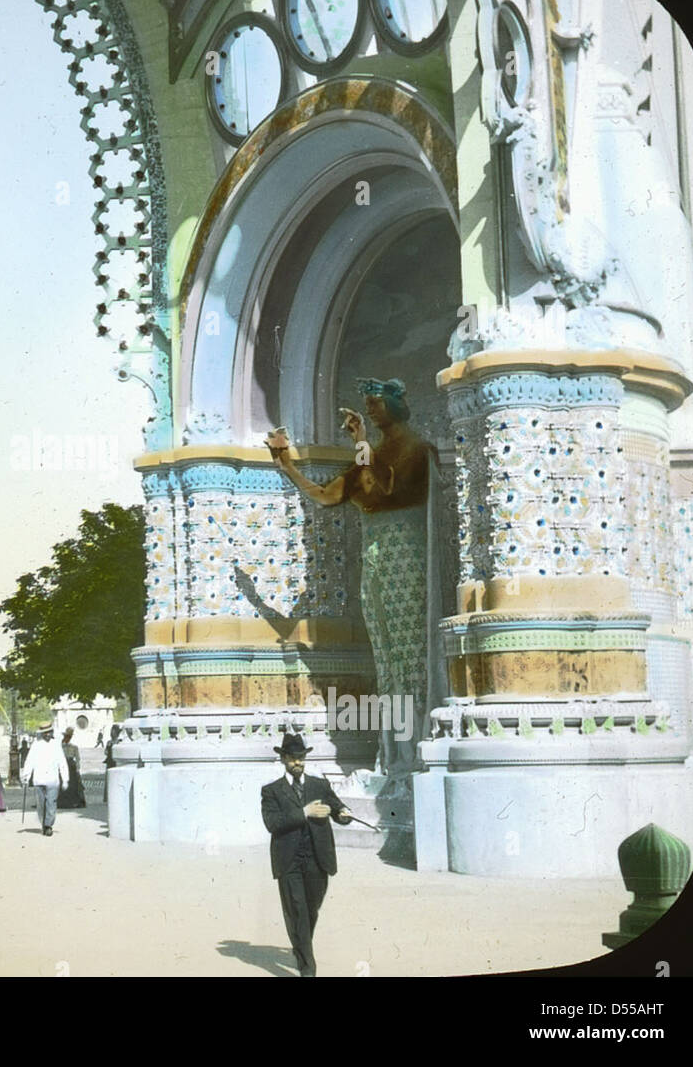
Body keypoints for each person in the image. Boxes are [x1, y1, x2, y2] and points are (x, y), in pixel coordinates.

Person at [267, 378, 450, 795]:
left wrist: (362, 445)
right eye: (368, 407)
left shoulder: (416, 451)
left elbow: (383, 489)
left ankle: (419, 749)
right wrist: (287, 464)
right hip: (377, 563)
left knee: (409, 651)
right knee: (386, 656)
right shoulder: (372, 455)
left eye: (378, 404)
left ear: (399, 404)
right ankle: (395, 754)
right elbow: (326, 495)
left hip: (407, 557)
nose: (372, 412)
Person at [261, 733, 352, 978]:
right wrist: (304, 812)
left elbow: (336, 807)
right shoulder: (271, 791)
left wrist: (343, 813)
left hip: (318, 859)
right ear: (283, 760)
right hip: (289, 860)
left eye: (301, 758)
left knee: (311, 910)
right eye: (292, 758)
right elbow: (272, 823)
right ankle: (307, 969)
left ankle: (300, 945)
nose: (297, 763)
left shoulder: (319, 785)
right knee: (299, 911)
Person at [21, 723, 69, 837]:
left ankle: (48, 825)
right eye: (45, 733)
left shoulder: (56, 745)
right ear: (42, 734)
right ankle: (43, 823)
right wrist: (26, 777)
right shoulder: (36, 745)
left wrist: (65, 779)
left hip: (53, 779)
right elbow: (29, 762)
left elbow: (62, 762)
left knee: (51, 802)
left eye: (49, 732)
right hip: (39, 779)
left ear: (52, 732)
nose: (48, 734)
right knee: (41, 804)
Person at [56, 727, 86, 809]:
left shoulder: (74, 747)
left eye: (69, 737)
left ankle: (74, 801)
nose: (67, 738)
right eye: (66, 736)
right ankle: (62, 801)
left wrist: (77, 768)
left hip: (71, 766)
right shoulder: (60, 746)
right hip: (63, 765)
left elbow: (77, 758)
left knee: (73, 784)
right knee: (62, 782)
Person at [103, 723, 120, 803]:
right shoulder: (109, 742)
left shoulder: (119, 742)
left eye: (113, 732)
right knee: (108, 780)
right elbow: (105, 752)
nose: (112, 733)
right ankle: (108, 797)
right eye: (111, 731)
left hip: (116, 762)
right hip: (110, 762)